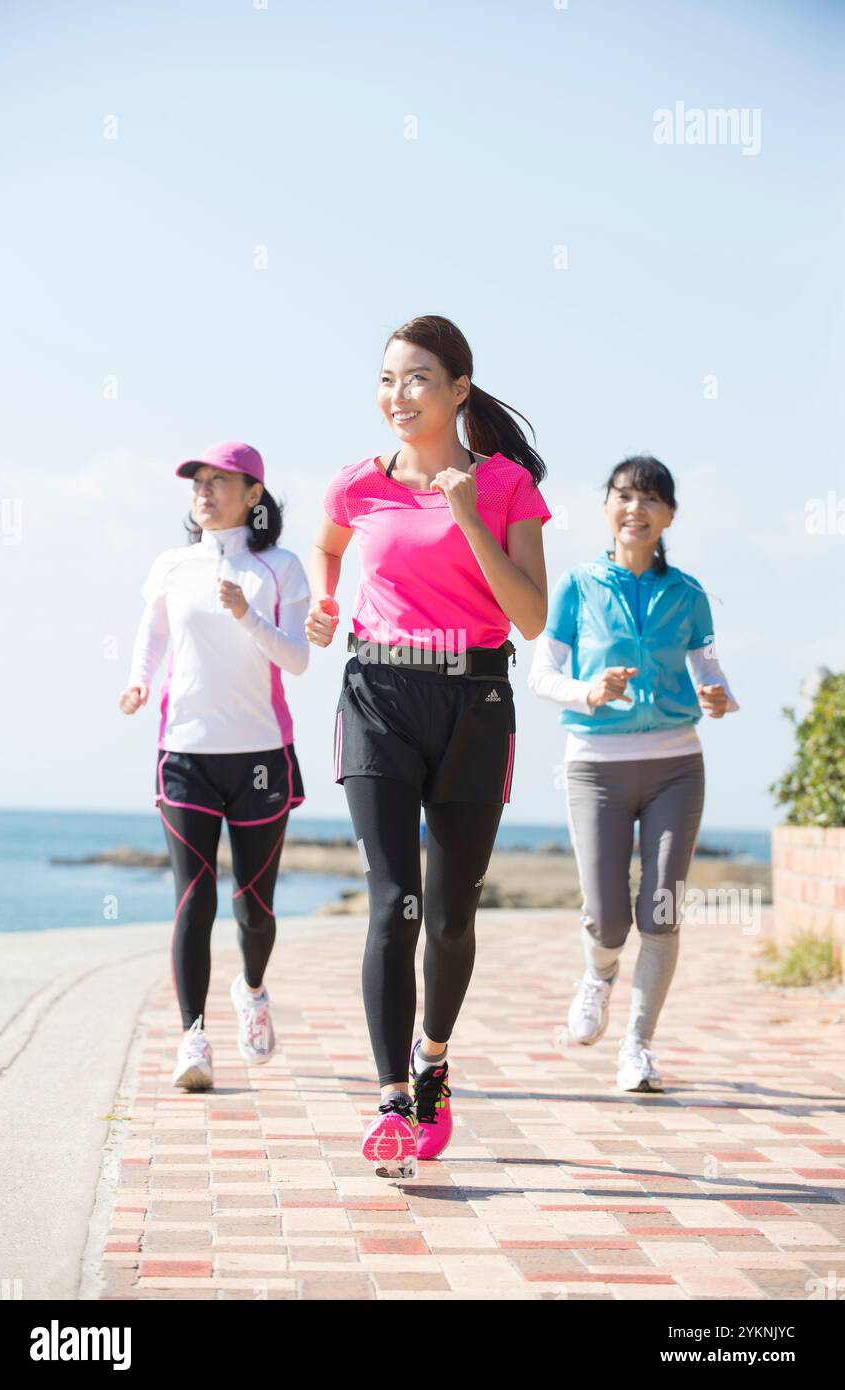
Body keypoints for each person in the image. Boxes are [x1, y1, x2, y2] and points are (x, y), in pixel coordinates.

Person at [306, 315, 552, 1177]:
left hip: (475, 700)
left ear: (456, 389)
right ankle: (388, 1102)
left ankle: (433, 1062)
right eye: (385, 379)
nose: (396, 396)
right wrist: (326, 600)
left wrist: (468, 518)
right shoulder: (355, 485)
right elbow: (328, 544)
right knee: (391, 900)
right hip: (376, 695)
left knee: (448, 915)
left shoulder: (507, 485)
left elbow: (529, 616)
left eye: (415, 379)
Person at [528, 455, 739, 1091]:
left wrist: (720, 696)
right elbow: (541, 677)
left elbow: (711, 672)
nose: (635, 509)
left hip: (677, 764)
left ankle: (638, 1049)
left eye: (650, 500)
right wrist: (589, 692)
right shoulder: (577, 587)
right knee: (607, 918)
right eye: (623, 496)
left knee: (663, 910)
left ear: (669, 514)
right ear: (605, 508)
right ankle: (598, 973)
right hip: (596, 767)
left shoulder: (689, 595)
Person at [119, 442, 309, 1090]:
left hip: (259, 756)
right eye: (197, 481)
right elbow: (151, 633)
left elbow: (297, 659)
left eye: (219, 480)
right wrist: (138, 683)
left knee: (254, 908)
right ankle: (192, 1039)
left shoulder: (279, 567)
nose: (203, 490)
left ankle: (251, 990)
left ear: (253, 493)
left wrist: (246, 615)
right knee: (193, 898)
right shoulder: (172, 565)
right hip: (185, 754)